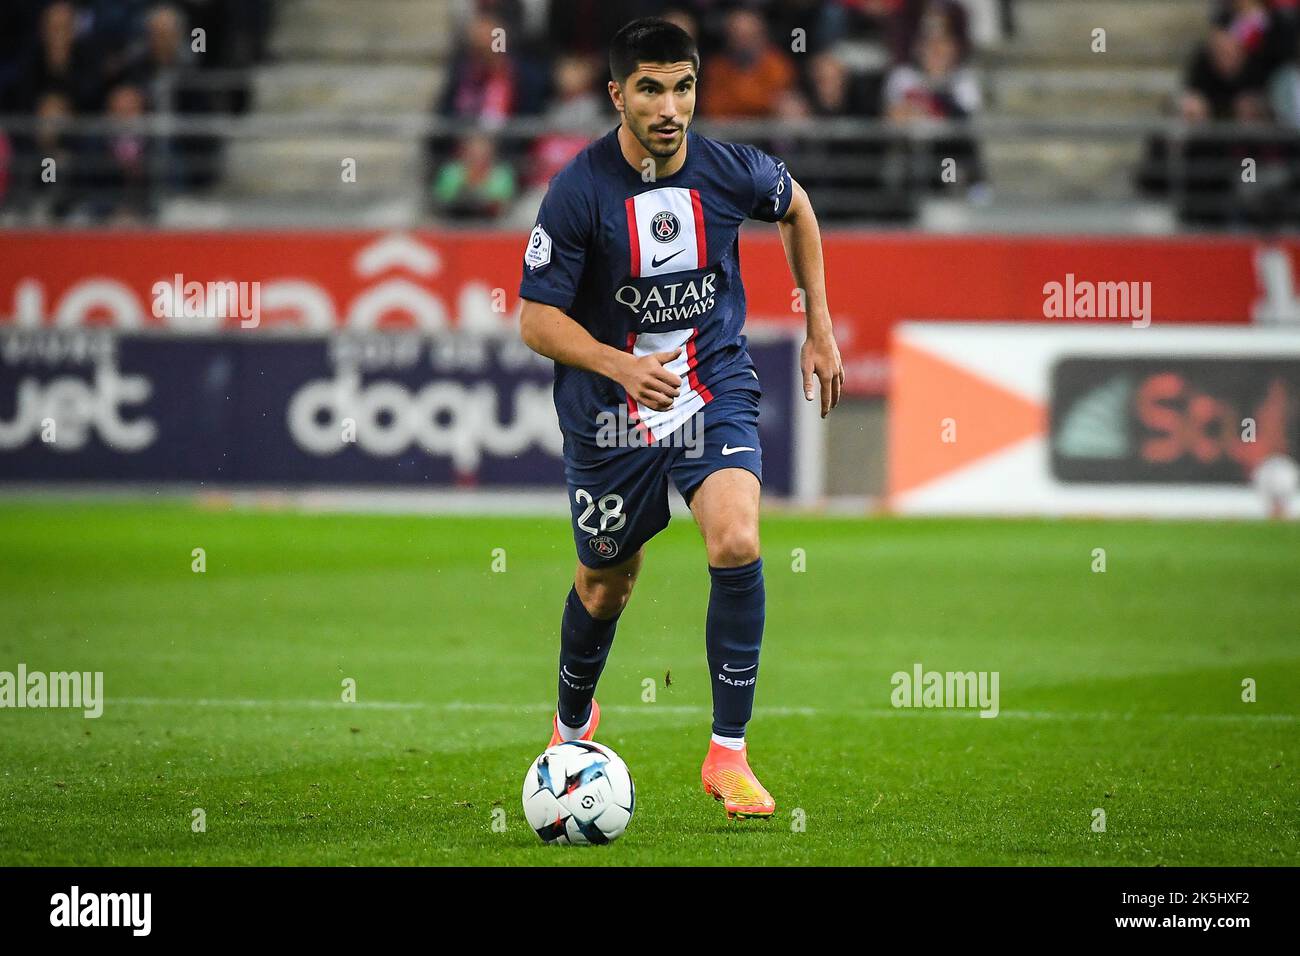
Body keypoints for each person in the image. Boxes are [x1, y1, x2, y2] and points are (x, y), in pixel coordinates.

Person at [517, 18, 843, 821]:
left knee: (736, 537)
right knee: (603, 585)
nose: (671, 106)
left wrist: (820, 327)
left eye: (685, 86)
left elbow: (796, 208)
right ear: (617, 94)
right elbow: (534, 320)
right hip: (611, 413)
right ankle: (572, 726)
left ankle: (727, 756)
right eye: (652, 88)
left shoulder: (729, 169)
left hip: (710, 387)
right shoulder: (578, 189)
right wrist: (618, 363)